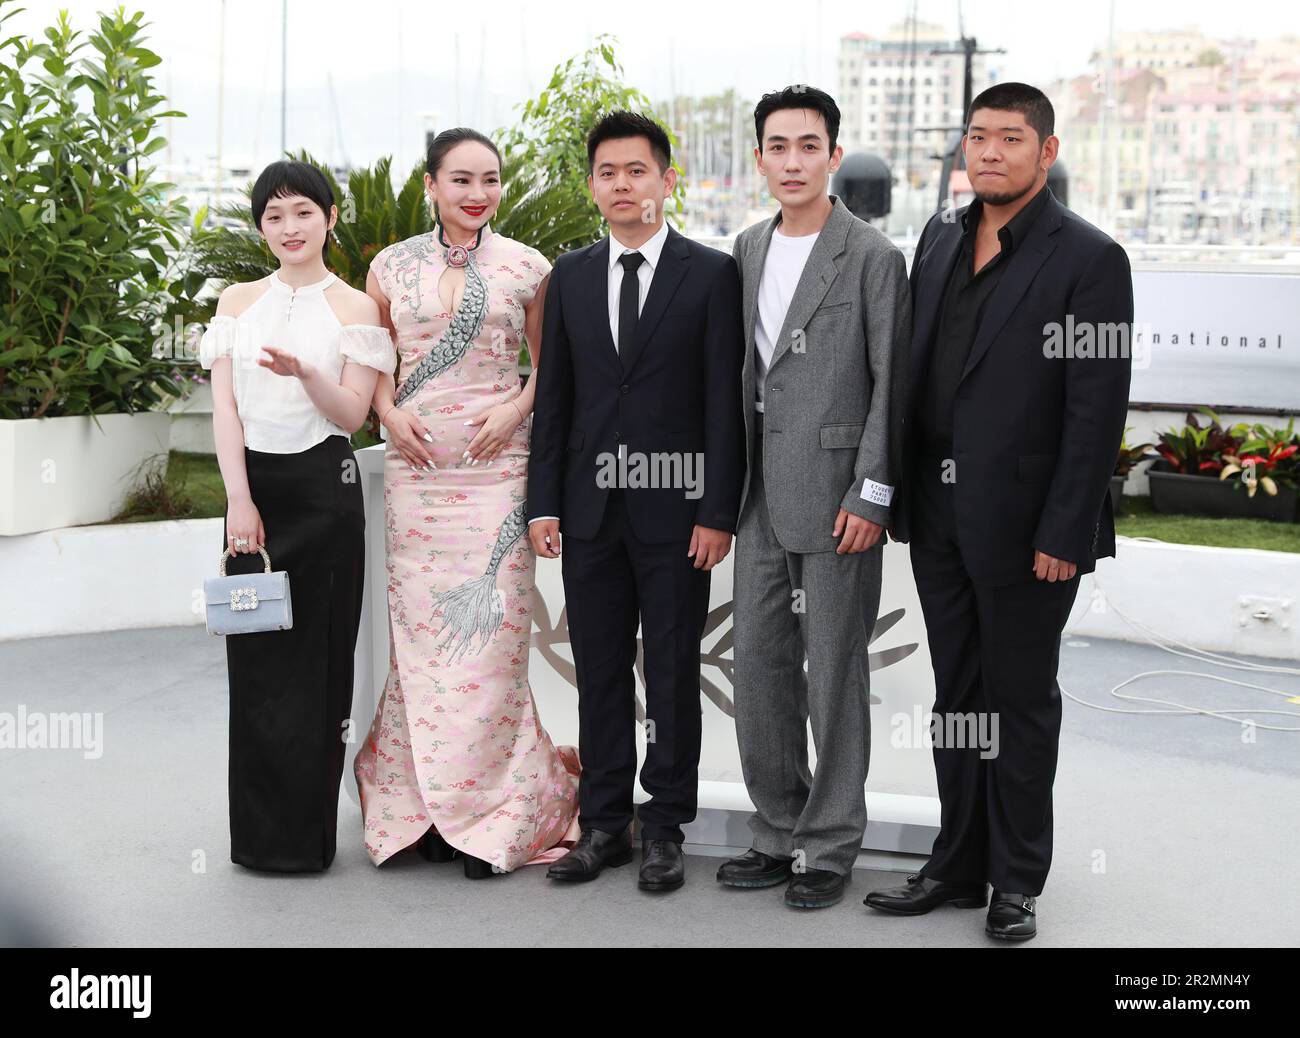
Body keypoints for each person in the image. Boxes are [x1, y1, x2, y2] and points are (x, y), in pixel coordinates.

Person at [863, 83, 1133, 940]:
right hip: (939, 514)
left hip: (1029, 532)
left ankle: (1016, 880)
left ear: (1045, 153)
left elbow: (1097, 412)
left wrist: (1066, 529)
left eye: (1010, 140)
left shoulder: (1092, 259)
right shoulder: (940, 236)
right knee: (959, 699)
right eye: (977, 138)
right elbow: (917, 372)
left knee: (1020, 703)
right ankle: (956, 861)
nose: (988, 154)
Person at [352, 128, 581, 880]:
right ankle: (419, 814)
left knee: (489, 649)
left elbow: (552, 369)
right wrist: (388, 414)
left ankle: (492, 817)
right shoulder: (388, 266)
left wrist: (516, 412)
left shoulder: (528, 266)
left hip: (497, 477)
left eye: (489, 179)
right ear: (431, 184)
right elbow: (372, 360)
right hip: (419, 479)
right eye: (461, 180)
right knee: (420, 648)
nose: (476, 193)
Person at [527, 111, 745, 892]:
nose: (623, 185)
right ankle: (605, 825)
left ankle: (665, 828)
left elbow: (726, 403)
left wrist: (719, 511)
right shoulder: (572, 275)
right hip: (587, 515)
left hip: (680, 516)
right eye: (608, 173)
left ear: (665, 180)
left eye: (637, 171)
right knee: (600, 672)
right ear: (593, 186)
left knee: (674, 672)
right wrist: (541, 503)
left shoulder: (713, 274)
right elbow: (555, 398)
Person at [716, 86, 911, 909]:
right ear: (759, 158)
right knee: (758, 669)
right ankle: (776, 827)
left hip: (838, 501)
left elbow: (891, 386)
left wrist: (871, 494)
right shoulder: (745, 248)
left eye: (808, 146)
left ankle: (828, 845)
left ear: (834, 155)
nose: (791, 161)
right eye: (776, 146)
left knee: (833, 675)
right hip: (757, 497)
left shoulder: (870, 254)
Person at [199, 159, 395, 872]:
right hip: (254, 495)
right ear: (261, 226)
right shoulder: (235, 301)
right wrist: (238, 500)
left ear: (329, 217)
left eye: (303, 212)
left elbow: (352, 415)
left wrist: (307, 373)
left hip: (326, 489)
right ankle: (256, 840)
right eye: (274, 215)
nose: (289, 228)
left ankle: (307, 841)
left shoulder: (355, 309)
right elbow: (223, 409)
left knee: (319, 668)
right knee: (254, 667)